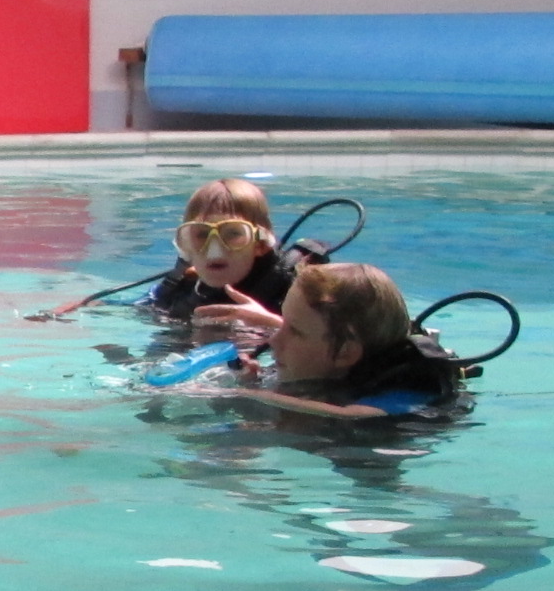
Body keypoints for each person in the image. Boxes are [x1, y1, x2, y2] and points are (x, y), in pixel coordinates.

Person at [206, 262, 472, 420]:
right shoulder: (330, 366)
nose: (274, 340)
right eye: (281, 323)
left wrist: (244, 396)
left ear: (346, 353)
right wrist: (251, 384)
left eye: (295, 331)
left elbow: (352, 417)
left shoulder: (403, 393)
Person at [145, 178, 299, 323]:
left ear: (261, 244)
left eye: (233, 233)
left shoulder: (295, 294)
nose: (214, 249)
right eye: (202, 234)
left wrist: (273, 326)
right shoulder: (177, 291)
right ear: (185, 246)